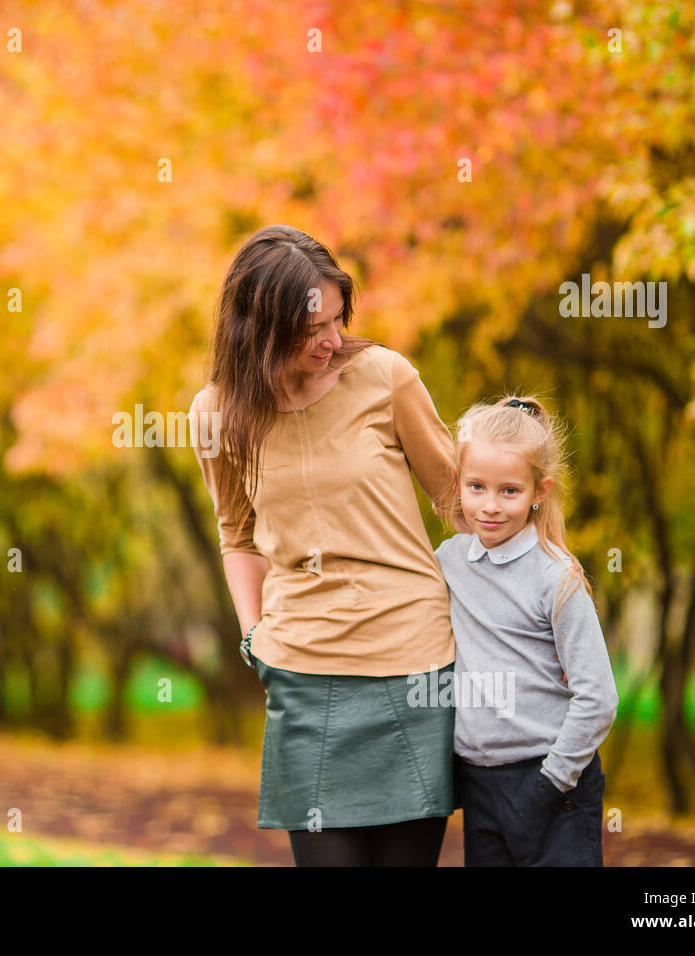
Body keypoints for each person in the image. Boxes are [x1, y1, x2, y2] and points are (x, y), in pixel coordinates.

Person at [188, 224, 471, 866]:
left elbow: (459, 501)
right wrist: (253, 636)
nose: (333, 340)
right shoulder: (216, 414)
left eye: (338, 319)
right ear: (258, 328)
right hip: (304, 673)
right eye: (314, 328)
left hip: (412, 665)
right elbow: (236, 534)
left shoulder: (385, 378)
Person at [433, 395, 619, 866]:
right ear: (458, 485)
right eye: (477, 487)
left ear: (540, 491)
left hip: (552, 783)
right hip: (480, 784)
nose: (490, 506)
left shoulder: (556, 579)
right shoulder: (450, 561)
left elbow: (598, 697)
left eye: (509, 491)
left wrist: (550, 782)